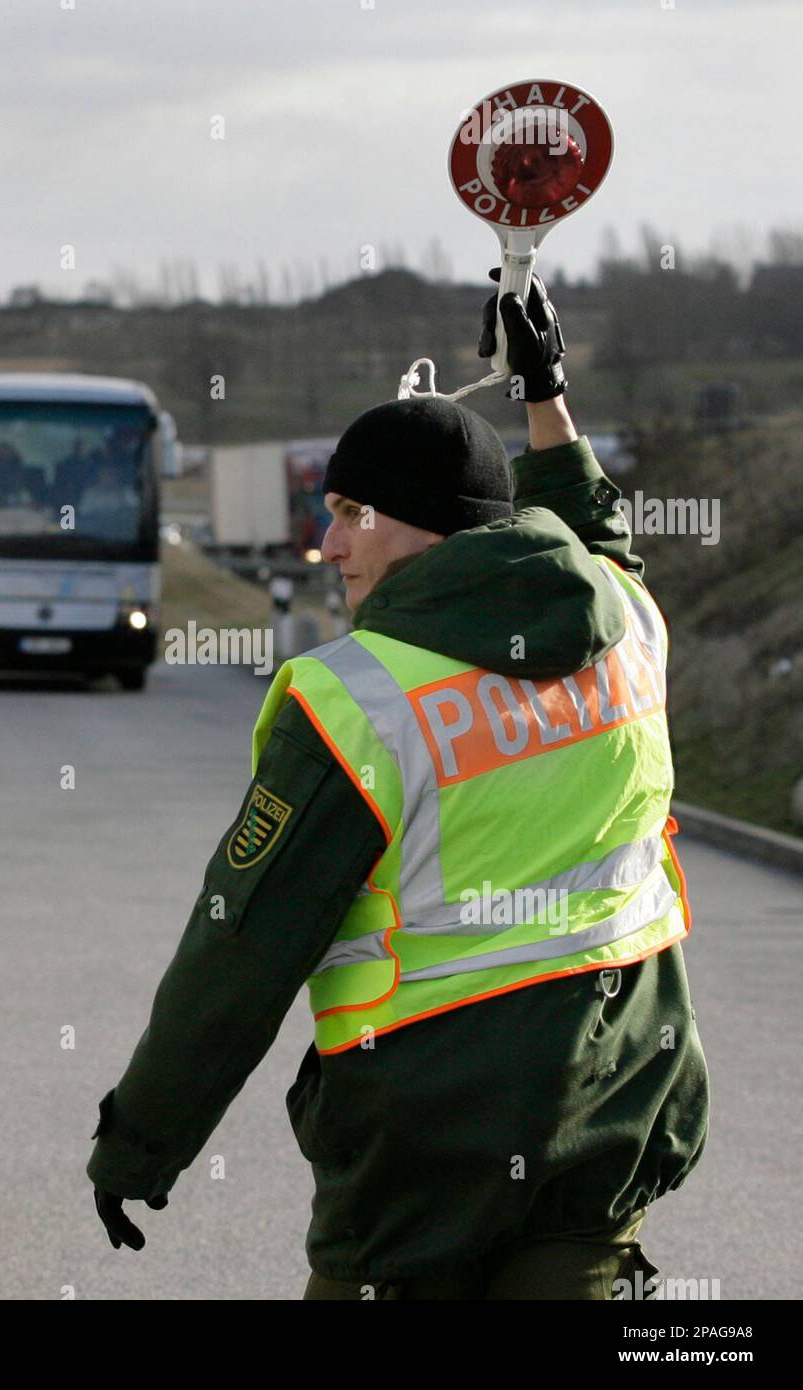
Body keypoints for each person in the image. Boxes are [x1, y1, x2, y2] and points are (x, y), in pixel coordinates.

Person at [86, 274, 708, 1299]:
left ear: (418, 523)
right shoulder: (625, 623)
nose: (327, 545)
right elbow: (594, 536)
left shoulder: (358, 702)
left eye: (348, 515)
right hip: (613, 1123)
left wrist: (141, 1144)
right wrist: (543, 387)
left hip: (425, 1165)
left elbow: (238, 951)